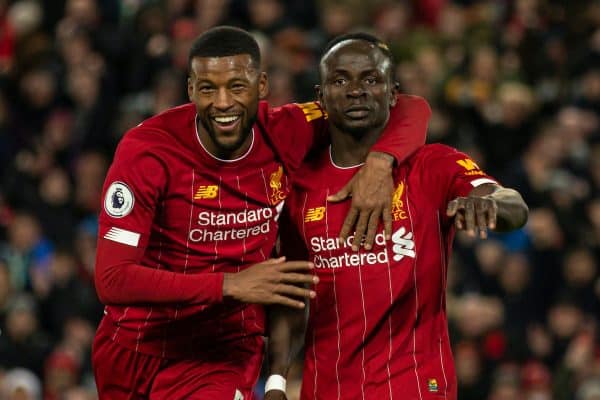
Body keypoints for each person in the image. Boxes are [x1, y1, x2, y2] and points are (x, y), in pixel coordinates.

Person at [91, 26, 427, 399]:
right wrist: (229, 284)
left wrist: (381, 164)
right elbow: (112, 279)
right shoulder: (148, 151)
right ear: (190, 91)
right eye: (207, 89)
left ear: (261, 85)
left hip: (222, 351)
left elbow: (410, 107)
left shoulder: (288, 130)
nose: (222, 103)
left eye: (237, 86)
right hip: (133, 345)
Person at [265, 33, 529, 400]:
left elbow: (512, 205)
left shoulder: (432, 164)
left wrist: (489, 204)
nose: (356, 90)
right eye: (340, 80)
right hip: (327, 390)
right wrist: (276, 382)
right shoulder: (300, 184)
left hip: (415, 386)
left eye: (371, 79)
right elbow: (292, 297)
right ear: (320, 97)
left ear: (393, 93)